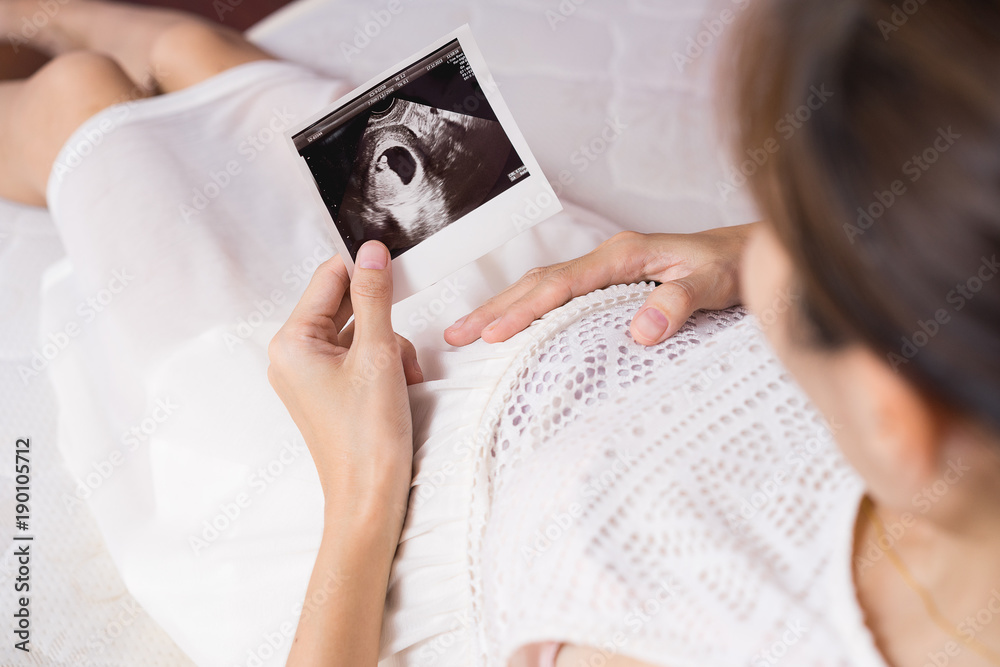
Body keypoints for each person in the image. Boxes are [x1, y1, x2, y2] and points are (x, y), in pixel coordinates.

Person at [3, 1, 998, 666]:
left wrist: (360, 485)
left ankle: (99, 82)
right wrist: (730, 257)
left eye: (805, 241)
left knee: (95, 123)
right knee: (298, 125)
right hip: (552, 316)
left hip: (367, 504)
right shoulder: (946, 427)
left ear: (894, 413)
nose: (765, 234)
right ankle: (173, 49)